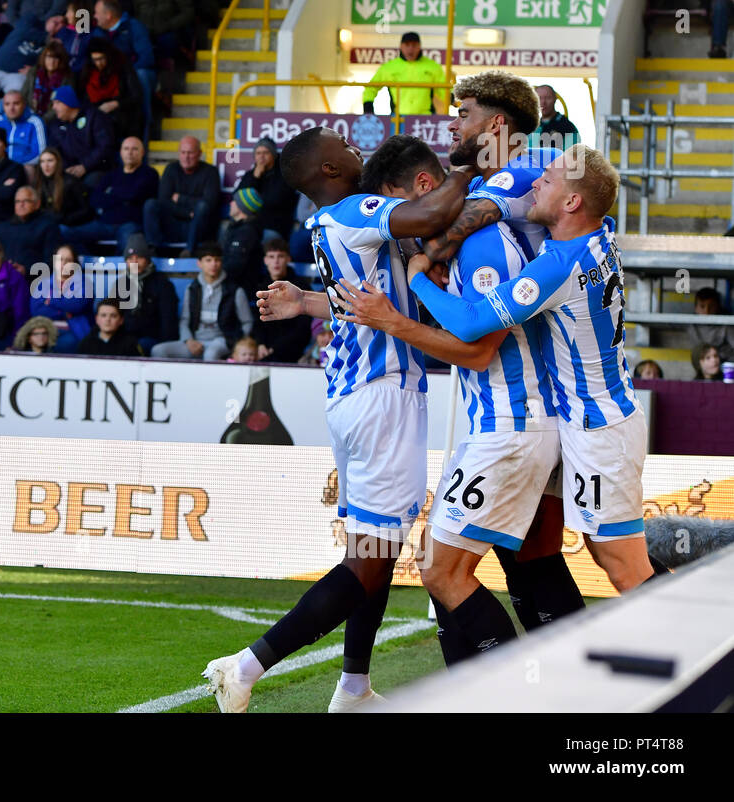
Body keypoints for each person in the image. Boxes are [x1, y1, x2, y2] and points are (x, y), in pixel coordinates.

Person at [201, 124, 469, 714]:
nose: (356, 152)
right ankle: (246, 666)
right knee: (370, 559)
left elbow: (361, 296)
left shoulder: (327, 226)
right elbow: (433, 212)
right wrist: (474, 163)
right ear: (328, 170)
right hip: (383, 396)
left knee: (377, 549)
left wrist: (303, 300)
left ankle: (353, 688)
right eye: (344, 150)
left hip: (352, 396)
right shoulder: (353, 210)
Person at [337, 134, 585, 669]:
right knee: (526, 565)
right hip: (514, 422)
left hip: (511, 423)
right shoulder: (484, 232)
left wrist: (400, 314)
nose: (397, 224)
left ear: (424, 189)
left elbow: (477, 349)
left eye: (399, 207)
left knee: (442, 570)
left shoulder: (482, 242)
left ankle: (518, 688)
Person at [392, 145, 659, 599]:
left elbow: (471, 324)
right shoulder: (601, 235)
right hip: (599, 419)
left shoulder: (558, 267)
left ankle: (703, 653)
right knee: (608, 556)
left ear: (573, 203)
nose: (536, 183)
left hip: (599, 430)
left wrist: (417, 276)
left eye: (549, 181)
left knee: (625, 569)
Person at [151, 242, 252, 360]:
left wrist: (237, 343)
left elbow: (247, 321)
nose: (213, 264)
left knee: (211, 354)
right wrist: (188, 340)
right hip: (196, 342)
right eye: (208, 260)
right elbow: (184, 320)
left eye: (217, 260)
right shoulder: (192, 288)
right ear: (199, 263)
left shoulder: (235, 290)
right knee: (158, 351)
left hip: (222, 340)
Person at [143, 135, 218, 254]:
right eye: (183, 152)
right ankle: (153, 250)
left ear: (199, 153)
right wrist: (189, 213)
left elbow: (210, 203)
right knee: (151, 204)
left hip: (198, 228)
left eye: (190, 153)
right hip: (173, 224)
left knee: (203, 207)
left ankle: (189, 251)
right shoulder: (171, 169)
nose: (186, 157)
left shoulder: (210, 172)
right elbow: (163, 201)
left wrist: (181, 199)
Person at [251, 239, 312, 363]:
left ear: (288, 259)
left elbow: (303, 328)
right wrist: (260, 344)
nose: (276, 261)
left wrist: (275, 349)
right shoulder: (259, 286)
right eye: (271, 257)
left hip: (292, 350)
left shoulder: (301, 287)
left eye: (280, 256)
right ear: (265, 260)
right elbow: (256, 321)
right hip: (263, 350)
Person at [27, 241, 93, 351]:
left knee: (62, 345)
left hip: (72, 331)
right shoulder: (42, 283)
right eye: (60, 259)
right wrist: (66, 312)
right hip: (44, 329)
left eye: (68, 260)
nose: (63, 264)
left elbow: (77, 305)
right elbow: (36, 310)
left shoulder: (85, 283)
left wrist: (51, 300)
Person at [363, 31, 448, 116]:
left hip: (425, 119)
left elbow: (444, 90)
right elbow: (371, 88)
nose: (410, 49)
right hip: (398, 119)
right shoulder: (388, 68)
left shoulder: (433, 67)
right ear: (401, 46)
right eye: (407, 45)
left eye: (414, 45)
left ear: (419, 46)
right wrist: (368, 105)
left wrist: (454, 100)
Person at [0, 90, 48, 169]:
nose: (11, 108)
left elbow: (40, 153)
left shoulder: (35, 122)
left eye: (16, 103)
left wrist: (15, 167)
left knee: (29, 169)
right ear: (3, 106)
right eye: (7, 104)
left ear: (24, 105)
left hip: (24, 168)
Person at [73, 297, 141, 356]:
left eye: (113, 316)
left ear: (121, 320)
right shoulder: (85, 344)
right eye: (103, 315)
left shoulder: (130, 344)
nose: (108, 319)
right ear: (97, 319)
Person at [689, 286, 734, 361]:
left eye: (711, 306)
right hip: (703, 365)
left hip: (726, 365)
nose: (707, 311)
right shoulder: (689, 322)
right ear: (695, 308)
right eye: (702, 306)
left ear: (718, 307)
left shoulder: (727, 324)